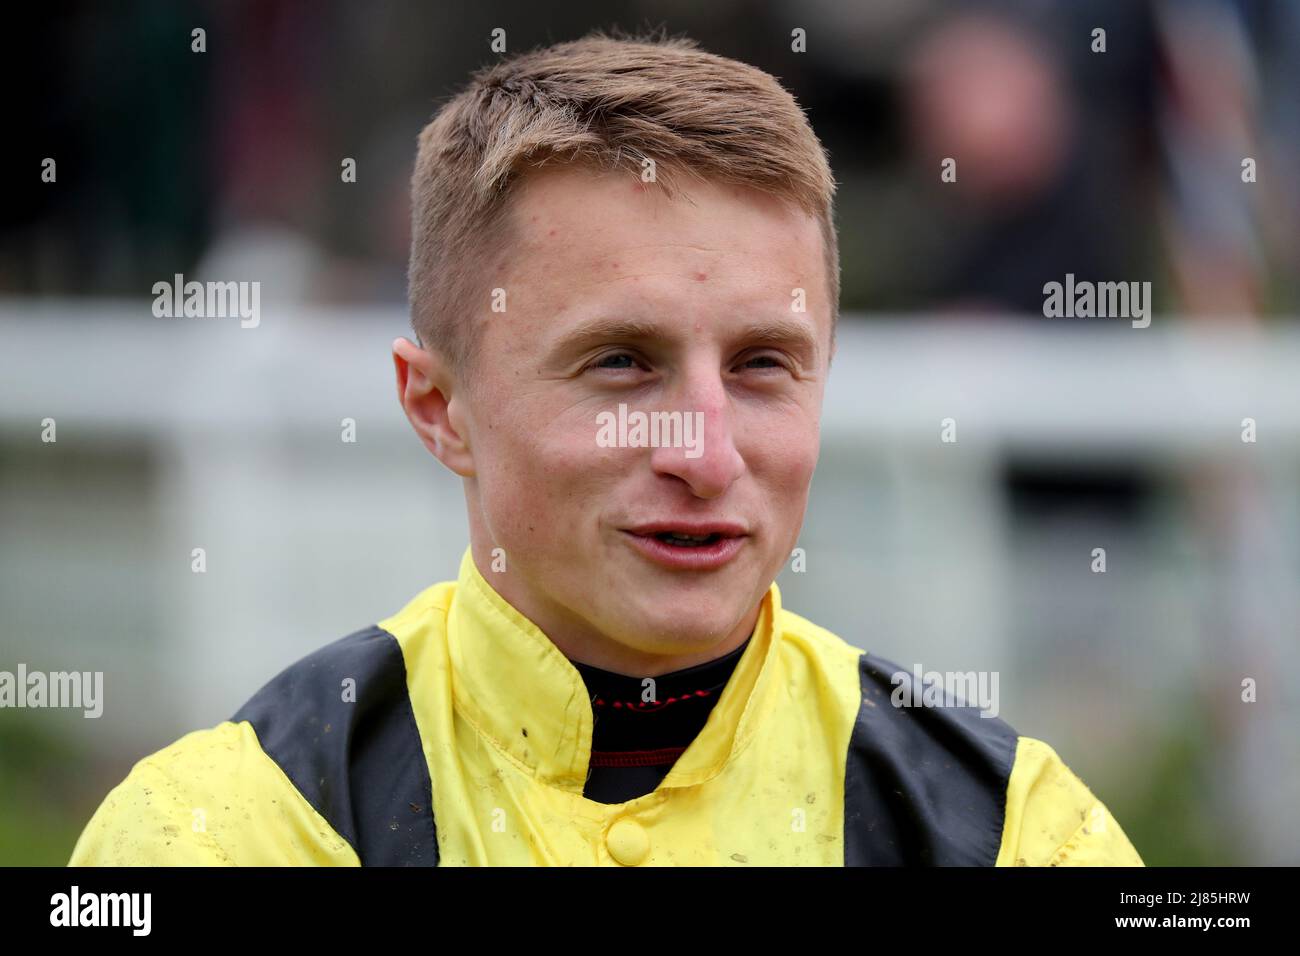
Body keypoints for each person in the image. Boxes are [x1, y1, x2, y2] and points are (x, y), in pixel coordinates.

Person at [69, 31, 1143, 867]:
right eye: (622, 362)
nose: (705, 452)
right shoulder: (224, 830)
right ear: (438, 406)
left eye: (763, 363)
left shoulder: (1013, 829)